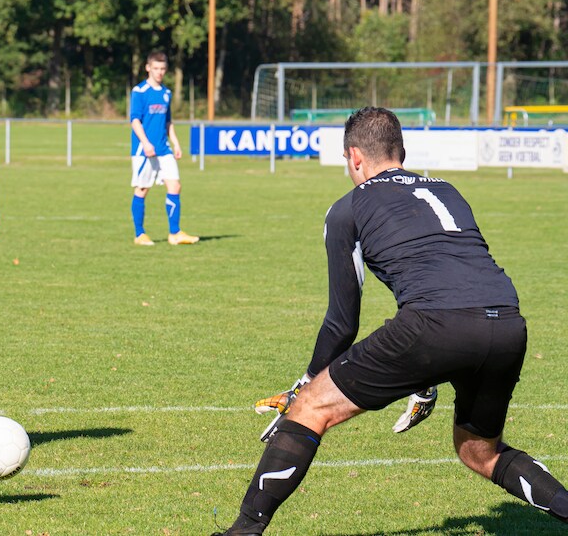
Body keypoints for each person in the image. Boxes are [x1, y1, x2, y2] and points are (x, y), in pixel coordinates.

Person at [214, 107, 568, 534]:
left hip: (436, 325)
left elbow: (342, 322)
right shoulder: (447, 189)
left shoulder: (347, 210)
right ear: (402, 150)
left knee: (311, 408)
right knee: (480, 452)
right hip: (508, 323)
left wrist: (305, 384)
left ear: (355, 157)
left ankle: (243, 531)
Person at [129, 51, 197, 246]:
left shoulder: (166, 93)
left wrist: (175, 142)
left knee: (175, 186)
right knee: (142, 189)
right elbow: (134, 120)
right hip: (144, 150)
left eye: (163, 69)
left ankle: (175, 233)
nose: (159, 72)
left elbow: (168, 122)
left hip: (164, 149)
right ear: (148, 68)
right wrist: (145, 142)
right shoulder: (139, 92)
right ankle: (140, 234)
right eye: (156, 68)